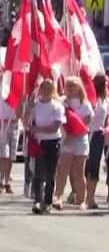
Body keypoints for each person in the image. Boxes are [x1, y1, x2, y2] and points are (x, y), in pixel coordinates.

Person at [26, 78, 65, 214]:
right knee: (38, 173)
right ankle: (37, 200)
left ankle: (47, 201)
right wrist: (29, 106)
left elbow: (55, 127)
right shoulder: (36, 105)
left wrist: (39, 130)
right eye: (44, 87)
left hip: (53, 142)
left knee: (50, 174)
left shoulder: (57, 106)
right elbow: (27, 122)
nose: (46, 90)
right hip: (39, 143)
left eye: (49, 87)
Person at [56, 77, 94, 209]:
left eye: (73, 85)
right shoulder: (62, 102)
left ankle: (81, 200)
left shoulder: (85, 103)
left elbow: (88, 119)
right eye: (68, 85)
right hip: (67, 139)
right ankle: (58, 197)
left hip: (80, 139)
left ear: (79, 87)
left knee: (79, 171)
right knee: (63, 170)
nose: (71, 88)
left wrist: (77, 126)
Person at [84, 75, 109, 210]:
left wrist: (107, 127)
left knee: (95, 166)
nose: (107, 86)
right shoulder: (91, 99)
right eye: (105, 84)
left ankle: (91, 197)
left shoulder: (107, 101)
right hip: (89, 133)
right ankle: (83, 195)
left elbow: (108, 119)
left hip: (99, 135)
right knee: (86, 166)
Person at [0, 97, 18, 195]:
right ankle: (1, 181)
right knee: (4, 154)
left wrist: (18, 117)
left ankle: (7, 181)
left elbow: (20, 106)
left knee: (11, 155)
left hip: (14, 124)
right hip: (2, 124)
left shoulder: (15, 88)